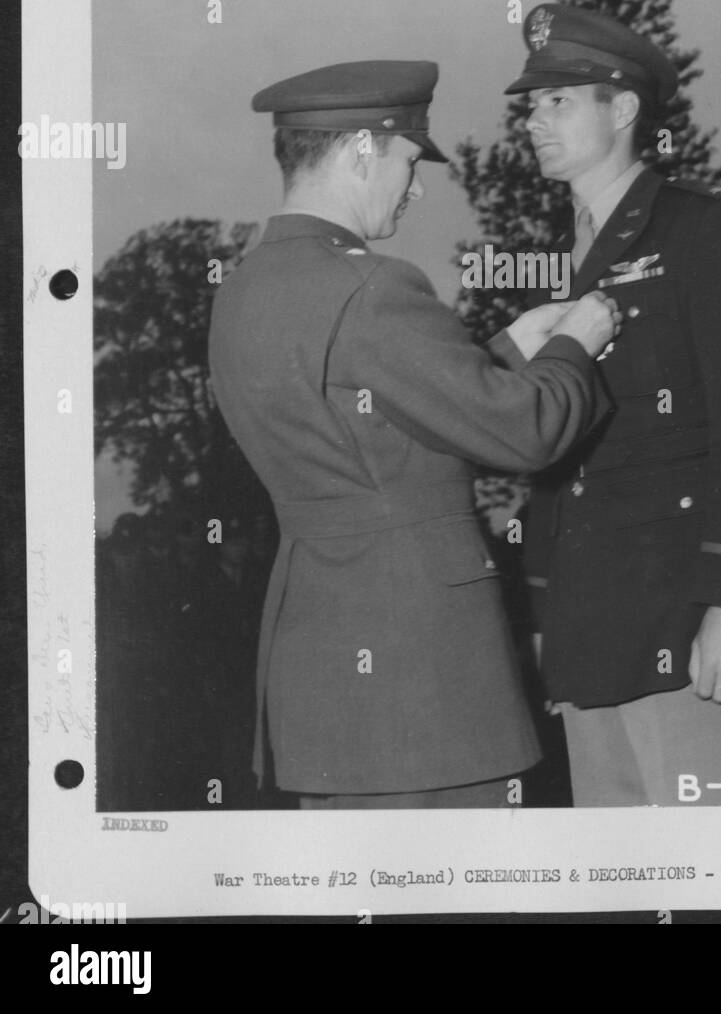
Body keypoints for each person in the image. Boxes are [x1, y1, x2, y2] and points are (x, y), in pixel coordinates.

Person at [208, 59, 619, 809]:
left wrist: (499, 354)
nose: (416, 186)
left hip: (320, 663)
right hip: (424, 675)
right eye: (406, 160)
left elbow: (369, 424)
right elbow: (527, 433)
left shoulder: (243, 290)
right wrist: (574, 343)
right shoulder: (370, 287)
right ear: (362, 150)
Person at [507, 4, 721, 806]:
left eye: (557, 102)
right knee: (618, 891)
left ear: (624, 109)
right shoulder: (567, 264)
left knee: (708, 882)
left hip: (686, 624)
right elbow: (554, 463)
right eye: (530, 105)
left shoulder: (702, 231)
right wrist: (544, 616)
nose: (533, 121)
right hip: (588, 633)